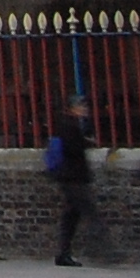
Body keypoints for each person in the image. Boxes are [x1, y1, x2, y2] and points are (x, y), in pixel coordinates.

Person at [46, 92, 96, 266]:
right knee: (91, 213)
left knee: (71, 216)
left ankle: (63, 253)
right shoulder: (69, 125)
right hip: (72, 177)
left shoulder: (68, 123)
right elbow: (73, 148)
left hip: (69, 177)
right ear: (73, 108)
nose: (85, 109)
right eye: (81, 106)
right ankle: (106, 252)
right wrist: (87, 142)